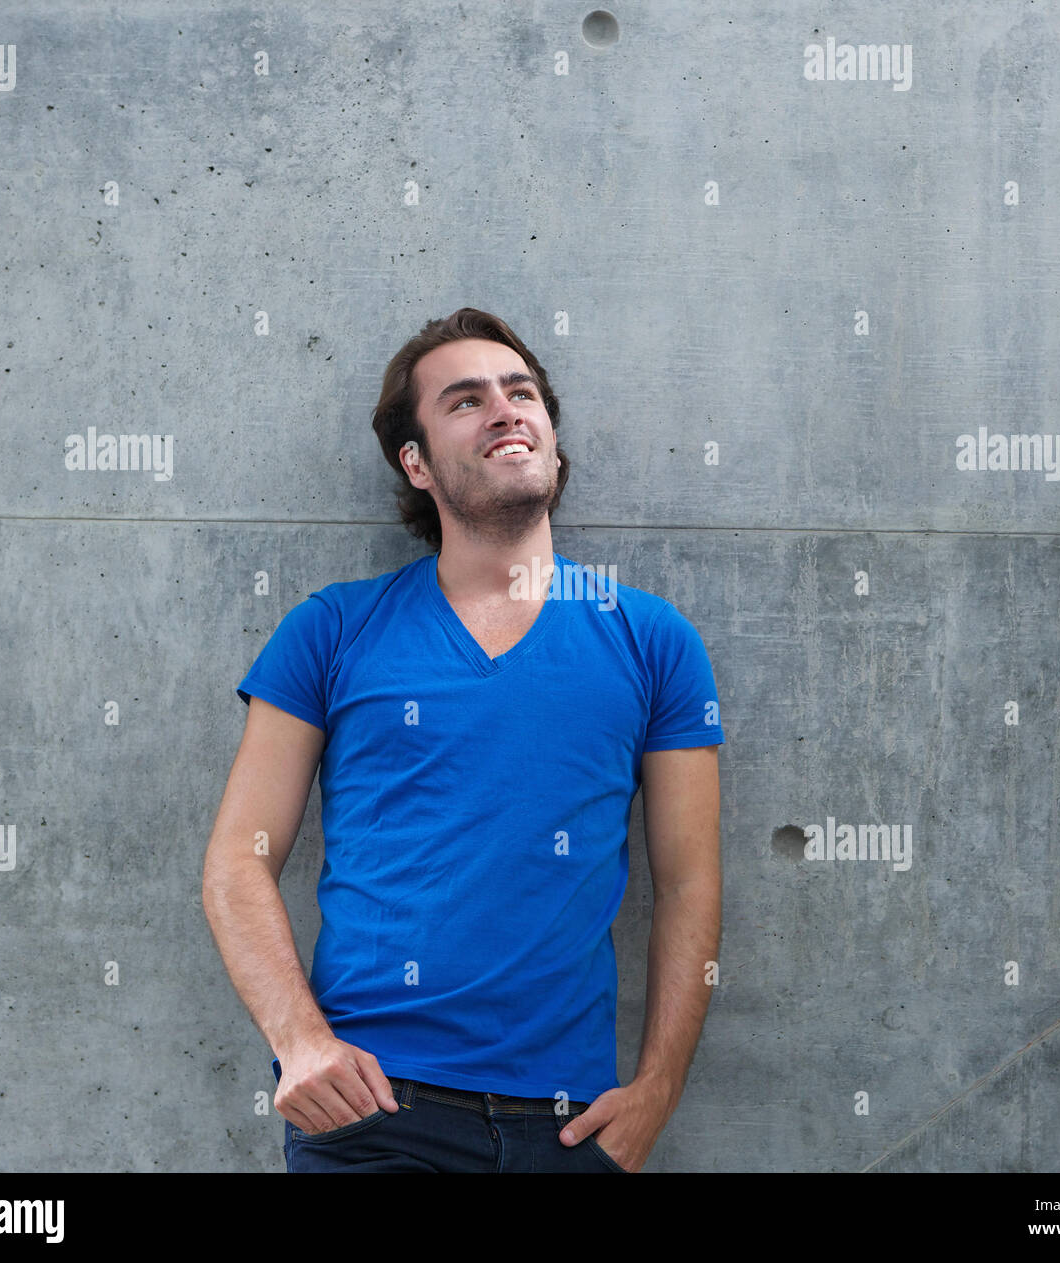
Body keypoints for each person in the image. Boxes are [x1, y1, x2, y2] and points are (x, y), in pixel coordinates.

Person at [203, 307, 724, 1172]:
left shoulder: (653, 639)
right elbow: (236, 860)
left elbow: (689, 882)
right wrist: (299, 1042)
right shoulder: (333, 630)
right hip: (371, 1109)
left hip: (571, 1127)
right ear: (416, 461)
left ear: (551, 435)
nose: (506, 409)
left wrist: (657, 1091)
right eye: (466, 400)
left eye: (522, 392)